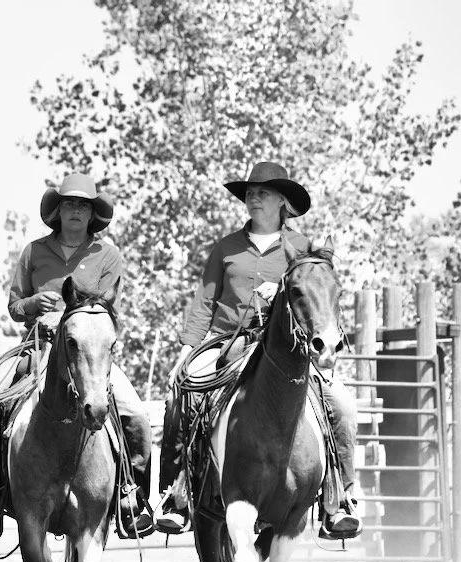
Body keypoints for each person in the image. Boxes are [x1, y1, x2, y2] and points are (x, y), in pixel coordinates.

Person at [155, 161, 361, 540]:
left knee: (344, 409)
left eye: (262, 192)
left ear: (283, 201)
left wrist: (281, 294)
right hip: (224, 340)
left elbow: (320, 302)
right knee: (178, 396)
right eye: (250, 193)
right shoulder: (226, 248)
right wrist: (186, 351)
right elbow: (204, 302)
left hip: (288, 349)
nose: (253, 198)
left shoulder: (303, 249)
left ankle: (340, 498)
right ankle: (175, 493)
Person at [0, 172, 154, 535]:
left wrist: (71, 315)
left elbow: (109, 309)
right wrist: (34, 303)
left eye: (83, 205)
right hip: (38, 348)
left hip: (90, 355)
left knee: (136, 415)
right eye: (69, 204)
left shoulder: (108, 255)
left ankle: (133, 496)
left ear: (92, 213)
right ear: (59, 211)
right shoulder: (33, 251)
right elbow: (14, 305)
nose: (76, 211)